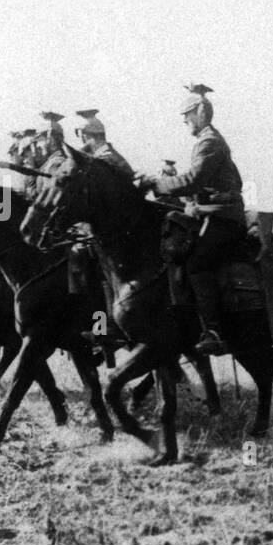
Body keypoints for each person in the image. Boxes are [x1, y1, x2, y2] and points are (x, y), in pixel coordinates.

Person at [147, 84, 246, 356]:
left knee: (197, 263)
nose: (184, 120)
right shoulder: (206, 141)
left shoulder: (209, 142)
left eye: (187, 114)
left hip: (223, 217)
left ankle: (213, 331)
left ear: (200, 113)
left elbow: (193, 180)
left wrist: (157, 183)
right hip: (214, 213)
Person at [75, 109, 134, 179]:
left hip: (100, 148)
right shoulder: (93, 122)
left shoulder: (90, 123)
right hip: (99, 148)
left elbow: (89, 141)